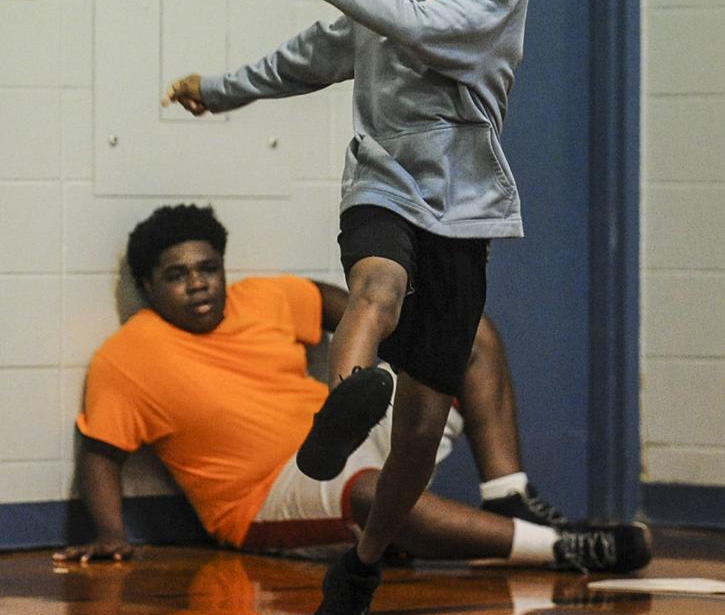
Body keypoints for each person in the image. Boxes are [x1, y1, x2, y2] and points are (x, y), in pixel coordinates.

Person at [56, 204, 651, 585]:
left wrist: (430, 332)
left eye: (207, 268)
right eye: (176, 275)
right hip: (266, 496)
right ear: (146, 286)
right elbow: (101, 453)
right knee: (369, 491)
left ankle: (508, 495)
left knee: (465, 335)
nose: (198, 285)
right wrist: (111, 534)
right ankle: (559, 548)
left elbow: (372, 314)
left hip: (342, 434)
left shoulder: (269, 296)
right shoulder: (127, 357)